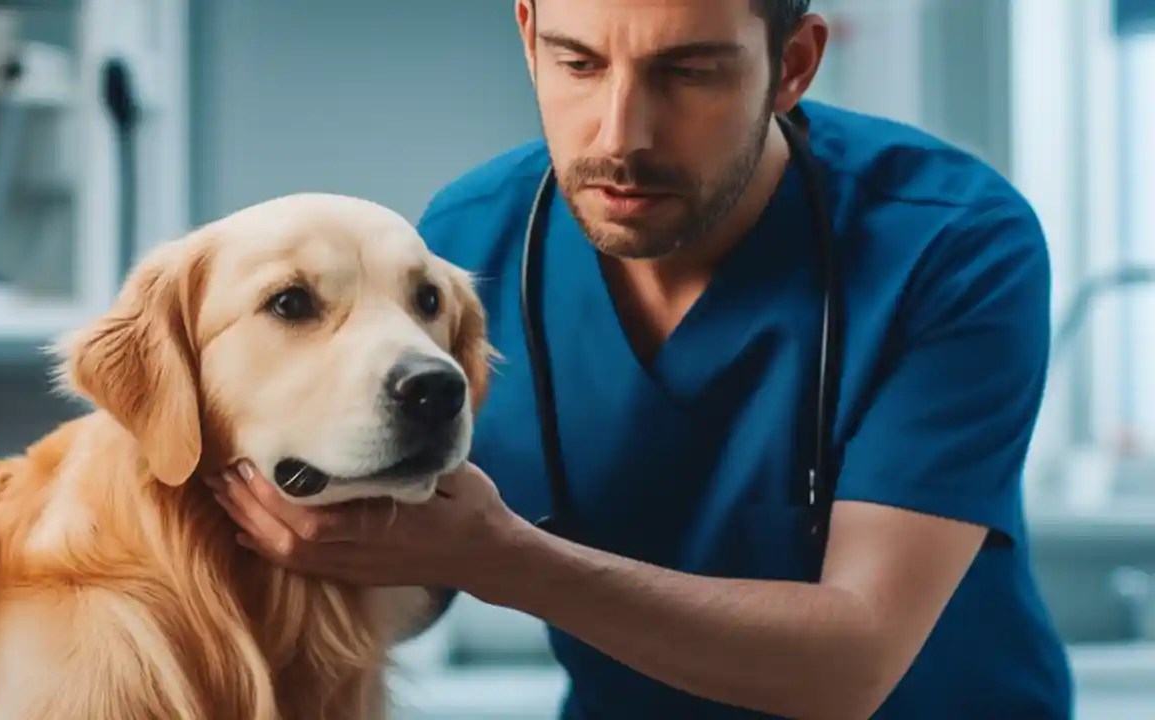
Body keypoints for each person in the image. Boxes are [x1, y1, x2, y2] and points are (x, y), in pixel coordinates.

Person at [203, 1, 1074, 717]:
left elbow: (851, 663)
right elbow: (425, 566)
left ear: (795, 66)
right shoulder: (469, 241)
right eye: (578, 63)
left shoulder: (951, 242)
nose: (621, 136)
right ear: (526, 33)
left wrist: (497, 556)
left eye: (688, 72)